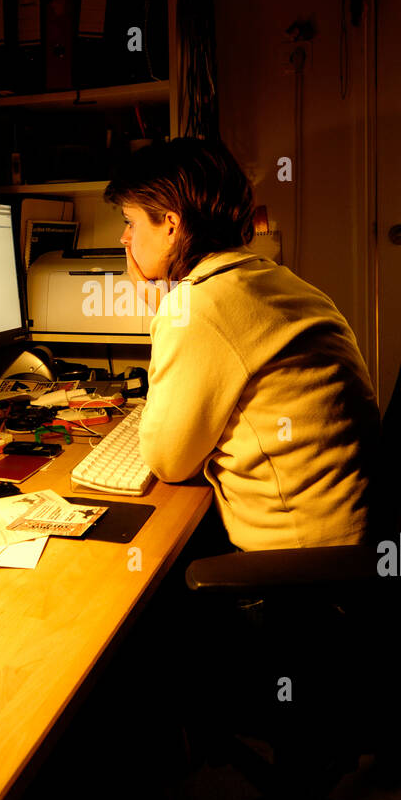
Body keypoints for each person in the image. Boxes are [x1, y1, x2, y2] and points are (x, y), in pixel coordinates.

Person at [104, 137, 379, 553]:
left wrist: (168, 308)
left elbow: (167, 461)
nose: (125, 238)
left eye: (132, 222)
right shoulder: (274, 280)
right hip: (354, 535)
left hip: (301, 561)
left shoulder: (200, 304)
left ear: (172, 226)